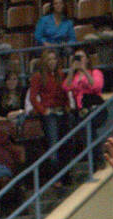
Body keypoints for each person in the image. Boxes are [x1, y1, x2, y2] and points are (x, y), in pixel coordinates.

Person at [30, 50, 71, 178]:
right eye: (49, 59)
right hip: (49, 113)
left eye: (54, 59)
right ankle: (55, 175)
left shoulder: (60, 74)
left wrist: (68, 106)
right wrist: (43, 110)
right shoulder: (38, 76)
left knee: (67, 142)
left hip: (62, 111)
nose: (52, 62)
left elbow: (65, 93)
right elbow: (33, 97)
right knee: (53, 144)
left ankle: (67, 173)